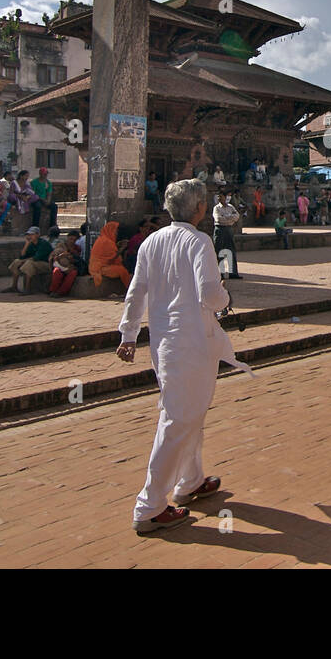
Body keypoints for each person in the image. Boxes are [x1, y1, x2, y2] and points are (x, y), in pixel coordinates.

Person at [117, 179, 253, 532]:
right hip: (191, 343)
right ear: (199, 209)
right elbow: (210, 292)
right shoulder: (199, 241)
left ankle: (190, 481)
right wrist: (225, 300)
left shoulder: (151, 242)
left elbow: (136, 293)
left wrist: (129, 333)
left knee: (186, 412)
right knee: (179, 420)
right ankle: (149, 506)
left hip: (164, 344)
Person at [3, 226, 52, 294]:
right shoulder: (31, 244)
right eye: (28, 235)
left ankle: (27, 289)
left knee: (29, 263)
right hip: (35, 263)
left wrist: (23, 261)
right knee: (17, 261)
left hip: (47, 264)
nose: (29, 236)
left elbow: (36, 258)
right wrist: (26, 244)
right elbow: (22, 256)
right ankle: (14, 286)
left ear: (38, 235)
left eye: (32, 234)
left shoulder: (43, 244)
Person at [90, 220, 132, 289]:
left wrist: (118, 244)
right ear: (111, 230)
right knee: (122, 270)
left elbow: (108, 252)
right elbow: (112, 258)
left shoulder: (102, 239)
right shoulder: (106, 241)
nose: (116, 233)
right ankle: (129, 289)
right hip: (100, 268)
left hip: (96, 266)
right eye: (115, 231)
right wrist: (122, 249)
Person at [212, 192, 242, 278]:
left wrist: (226, 217)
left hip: (229, 229)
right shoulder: (216, 208)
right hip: (220, 229)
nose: (219, 198)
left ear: (225, 197)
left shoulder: (231, 207)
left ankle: (233, 273)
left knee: (231, 251)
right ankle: (220, 273)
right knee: (219, 251)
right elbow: (218, 219)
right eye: (218, 197)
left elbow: (237, 216)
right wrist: (230, 218)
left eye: (220, 196)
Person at [48, 231, 79, 297]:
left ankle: (61, 292)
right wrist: (62, 255)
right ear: (67, 238)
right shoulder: (61, 245)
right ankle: (53, 291)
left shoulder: (77, 248)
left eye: (74, 240)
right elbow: (54, 257)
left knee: (73, 273)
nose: (72, 241)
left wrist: (72, 257)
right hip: (59, 265)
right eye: (71, 239)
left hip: (70, 267)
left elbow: (78, 260)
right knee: (56, 272)